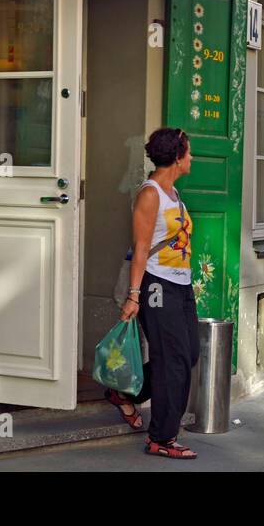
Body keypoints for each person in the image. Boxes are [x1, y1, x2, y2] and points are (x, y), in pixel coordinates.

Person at [108, 127, 201, 460]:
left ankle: (124, 391)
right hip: (157, 285)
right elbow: (142, 248)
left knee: (188, 354)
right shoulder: (150, 194)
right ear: (177, 156)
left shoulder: (173, 192)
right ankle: (161, 438)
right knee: (172, 361)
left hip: (180, 284)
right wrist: (134, 296)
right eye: (188, 152)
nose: (192, 157)